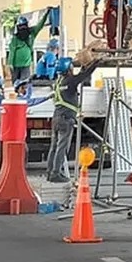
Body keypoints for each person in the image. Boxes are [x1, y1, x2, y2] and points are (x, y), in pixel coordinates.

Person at [46, 54, 104, 183]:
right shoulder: (70, 81)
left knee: (54, 147)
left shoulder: (59, 82)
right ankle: (56, 173)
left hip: (57, 117)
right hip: (66, 119)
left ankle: (50, 172)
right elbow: (83, 76)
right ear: (68, 68)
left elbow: (79, 76)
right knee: (62, 147)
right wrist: (96, 62)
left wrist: (84, 67)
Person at [7, 11, 52, 85]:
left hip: (26, 65)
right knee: (15, 85)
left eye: (24, 26)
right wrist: (10, 64)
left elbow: (40, 25)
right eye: (21, 26)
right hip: (15, 66)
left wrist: (46, 13)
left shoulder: (32, 33)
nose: (23, 28)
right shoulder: (15, 38)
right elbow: (12, 51)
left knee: (24, 84)